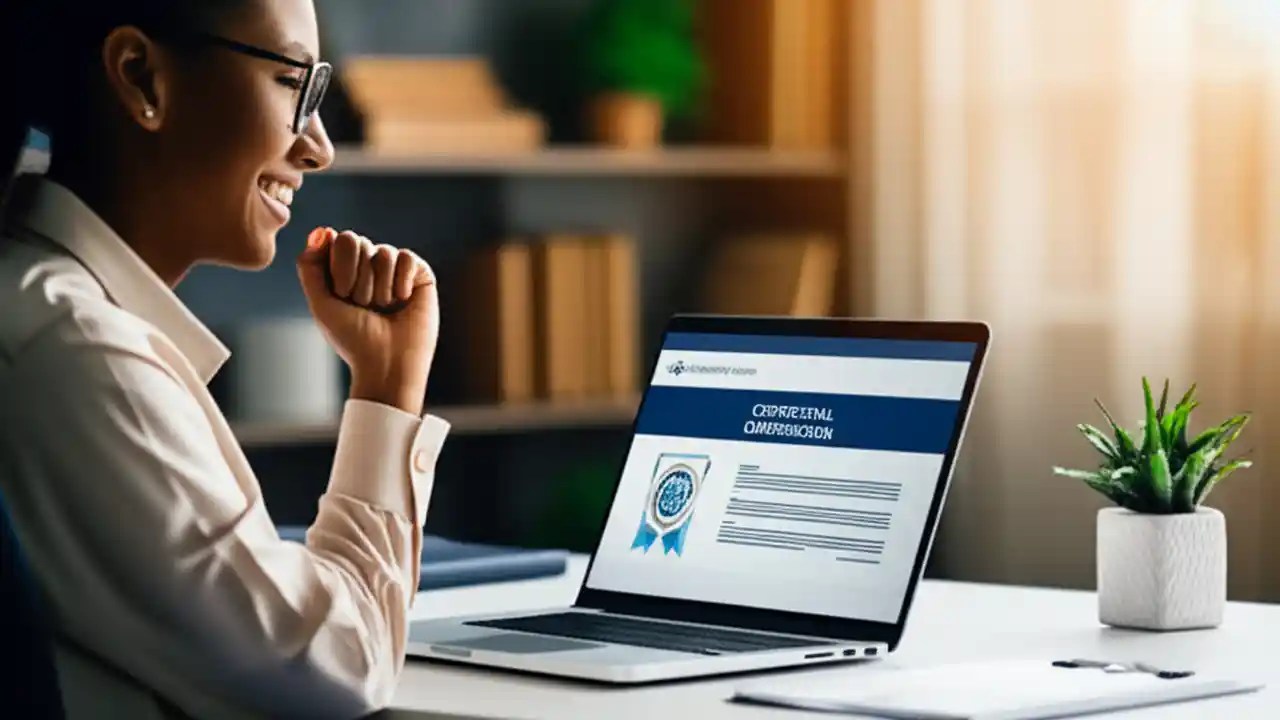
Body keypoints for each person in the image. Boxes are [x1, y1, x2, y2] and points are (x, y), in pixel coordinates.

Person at [0, 1, 449, 717]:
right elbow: (339, 671)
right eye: (292, 82)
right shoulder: (81, 356)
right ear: (142, 78)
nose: (319, 147)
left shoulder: (45, 315)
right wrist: (390, 391)